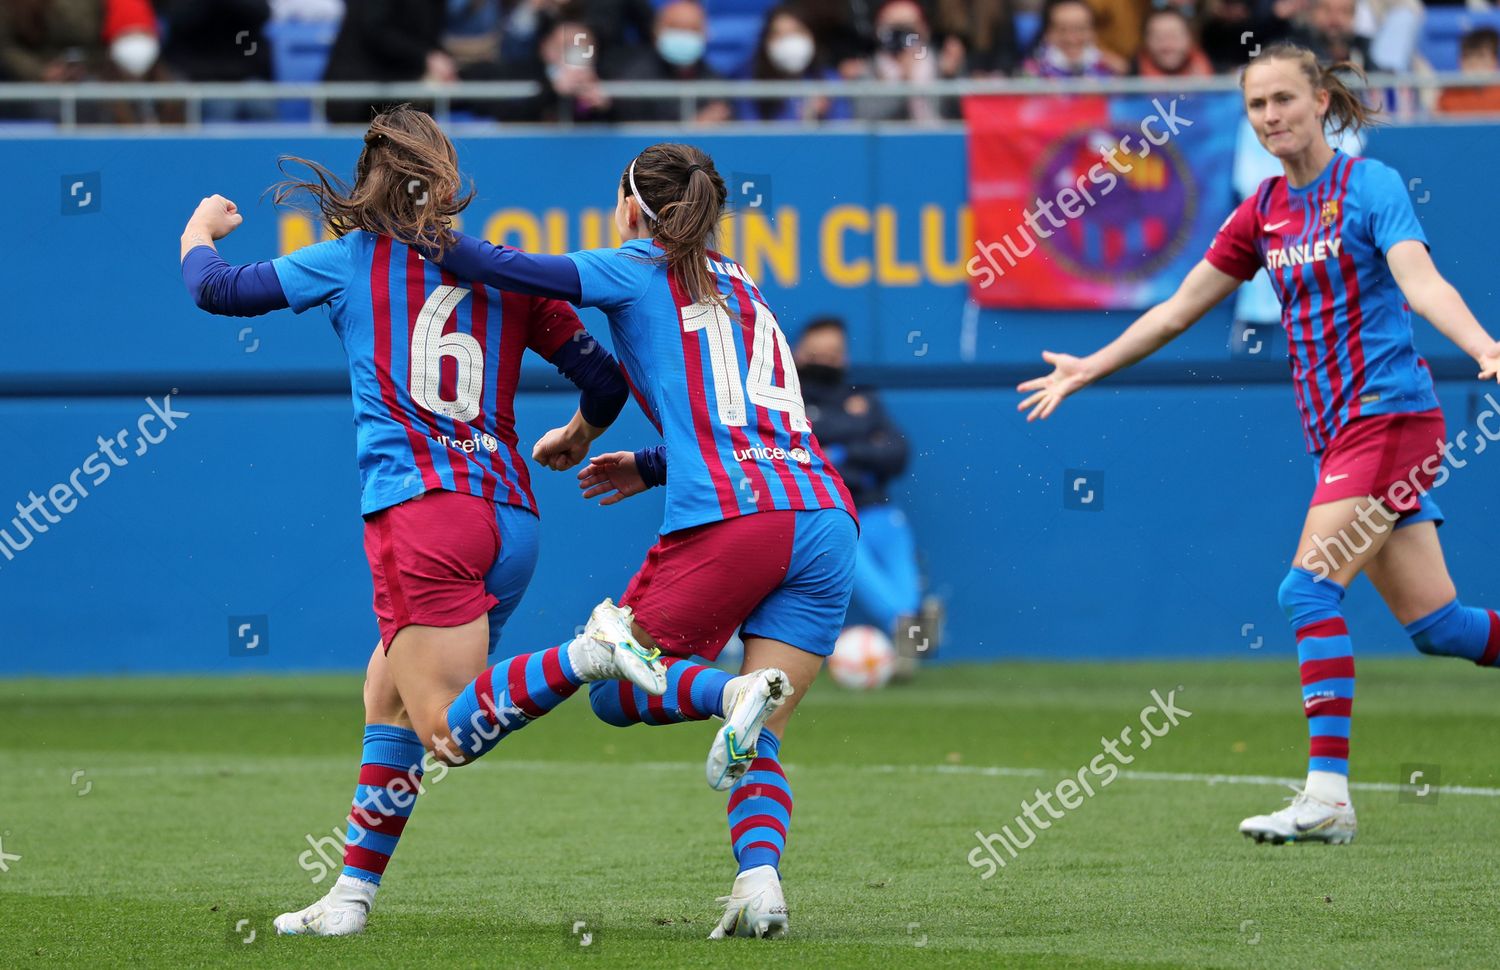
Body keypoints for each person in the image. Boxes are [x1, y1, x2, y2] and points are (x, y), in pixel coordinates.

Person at [177, 105, 669, 936]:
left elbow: (216, 291)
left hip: (424, 515)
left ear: (369, 179)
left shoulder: (347, 260)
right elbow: (607, 382)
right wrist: (579, 436)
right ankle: (351, 898)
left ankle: (590, 650)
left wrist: (200, 226)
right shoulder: (506, 271)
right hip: (510, 518)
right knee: (388, 696)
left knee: (444, 728)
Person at [1018, 44, 1500, 847]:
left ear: (1321, 100)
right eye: (1257, 106)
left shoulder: (1369, 187)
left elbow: (1421, 282)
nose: (1272, 116)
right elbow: (1177, 310)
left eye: (1284, 99)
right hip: (1341, 434)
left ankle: (1328, 795)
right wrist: (1088, 368)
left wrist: (1484, 346)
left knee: (1306, 592)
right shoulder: (1263, 210)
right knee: (1440, 627)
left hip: (1389, 417)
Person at [432, 142, 860, 938]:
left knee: (615, 691)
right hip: (825, 519)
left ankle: (726, 692)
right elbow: (754, 419)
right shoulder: (742, 284)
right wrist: (654, 462)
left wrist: (412, 223)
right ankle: (760, 884)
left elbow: (509, 268)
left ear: (633, 206)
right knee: (762, 731)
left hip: (739, 517)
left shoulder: (637, 265)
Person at [793, 317, 941, 664]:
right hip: (828, 513)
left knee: (898, 547)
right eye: (817, 352)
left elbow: (896, 451)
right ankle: (908, 628)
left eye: (834, 353)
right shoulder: (787, 396)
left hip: (878, 508)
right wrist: (860, 440)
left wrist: (843, 451)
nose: (825, 360)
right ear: (799, 352)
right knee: (850, 557)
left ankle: (909, 629)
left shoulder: (862, 397)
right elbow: (806, 458)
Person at [322, 0, 456, 123]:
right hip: (358, 93)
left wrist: (443, 61)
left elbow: (430, 37)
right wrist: (427, 58)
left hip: (401, 90)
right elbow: (376, 31)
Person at [604, 0, 730, 124]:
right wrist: (691, 129)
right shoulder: (632, 80)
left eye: (692, 29)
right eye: (675, 27)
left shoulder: (716, 82)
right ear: (656, 30)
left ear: (706, 34)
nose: (683, 36)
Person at [737, 4, 852, 123]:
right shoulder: (750, 83)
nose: (789, 41)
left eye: (796, 31)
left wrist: (823, 116)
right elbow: (750, 131)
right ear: (766, 42)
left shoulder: (830, 79)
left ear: (811, 36)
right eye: (779, 34)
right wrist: (800, 118)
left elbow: (843, 126)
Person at [1022, 0, 1125, 78]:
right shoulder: (1031, 73)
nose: (1072, 39)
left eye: (1080, 29)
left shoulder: (1113, 70)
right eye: (1062, 30)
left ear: (1093, 32)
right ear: (1047, 33)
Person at [1134, 8, 1213, 77]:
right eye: (1159, 38)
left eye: (1174, 37)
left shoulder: (1217, 80)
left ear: (1190, 38)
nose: (1168, 46)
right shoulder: (1129, 79)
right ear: (1146, 42)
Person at [1438, 28, 1500, 115]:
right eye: (1468, 59)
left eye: (1481, 58)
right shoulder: (1449, 96)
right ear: (1460, 62)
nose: (1475, 66)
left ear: (1494, 61)